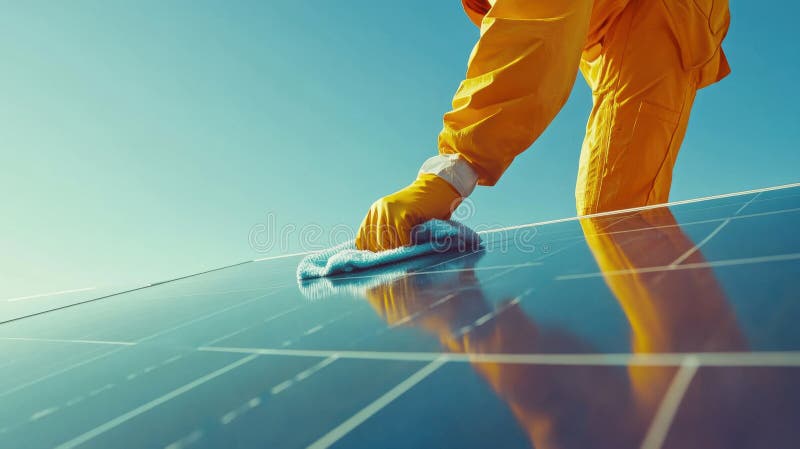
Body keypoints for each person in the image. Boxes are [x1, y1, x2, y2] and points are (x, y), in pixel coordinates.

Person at [355, 0, 731, 252]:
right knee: (613, 211)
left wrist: (450, 172)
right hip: (606, 22)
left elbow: (532, 26)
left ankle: (700, 359)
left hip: (660, 11)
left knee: (615, 211)